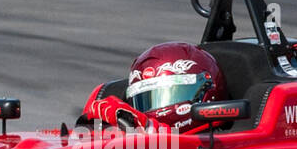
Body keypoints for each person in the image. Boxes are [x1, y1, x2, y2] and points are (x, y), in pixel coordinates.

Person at [84, 43, 228, 133]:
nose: (152, 110)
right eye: (144, 99)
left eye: (170, 94)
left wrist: (147, 127)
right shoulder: (131, 133)